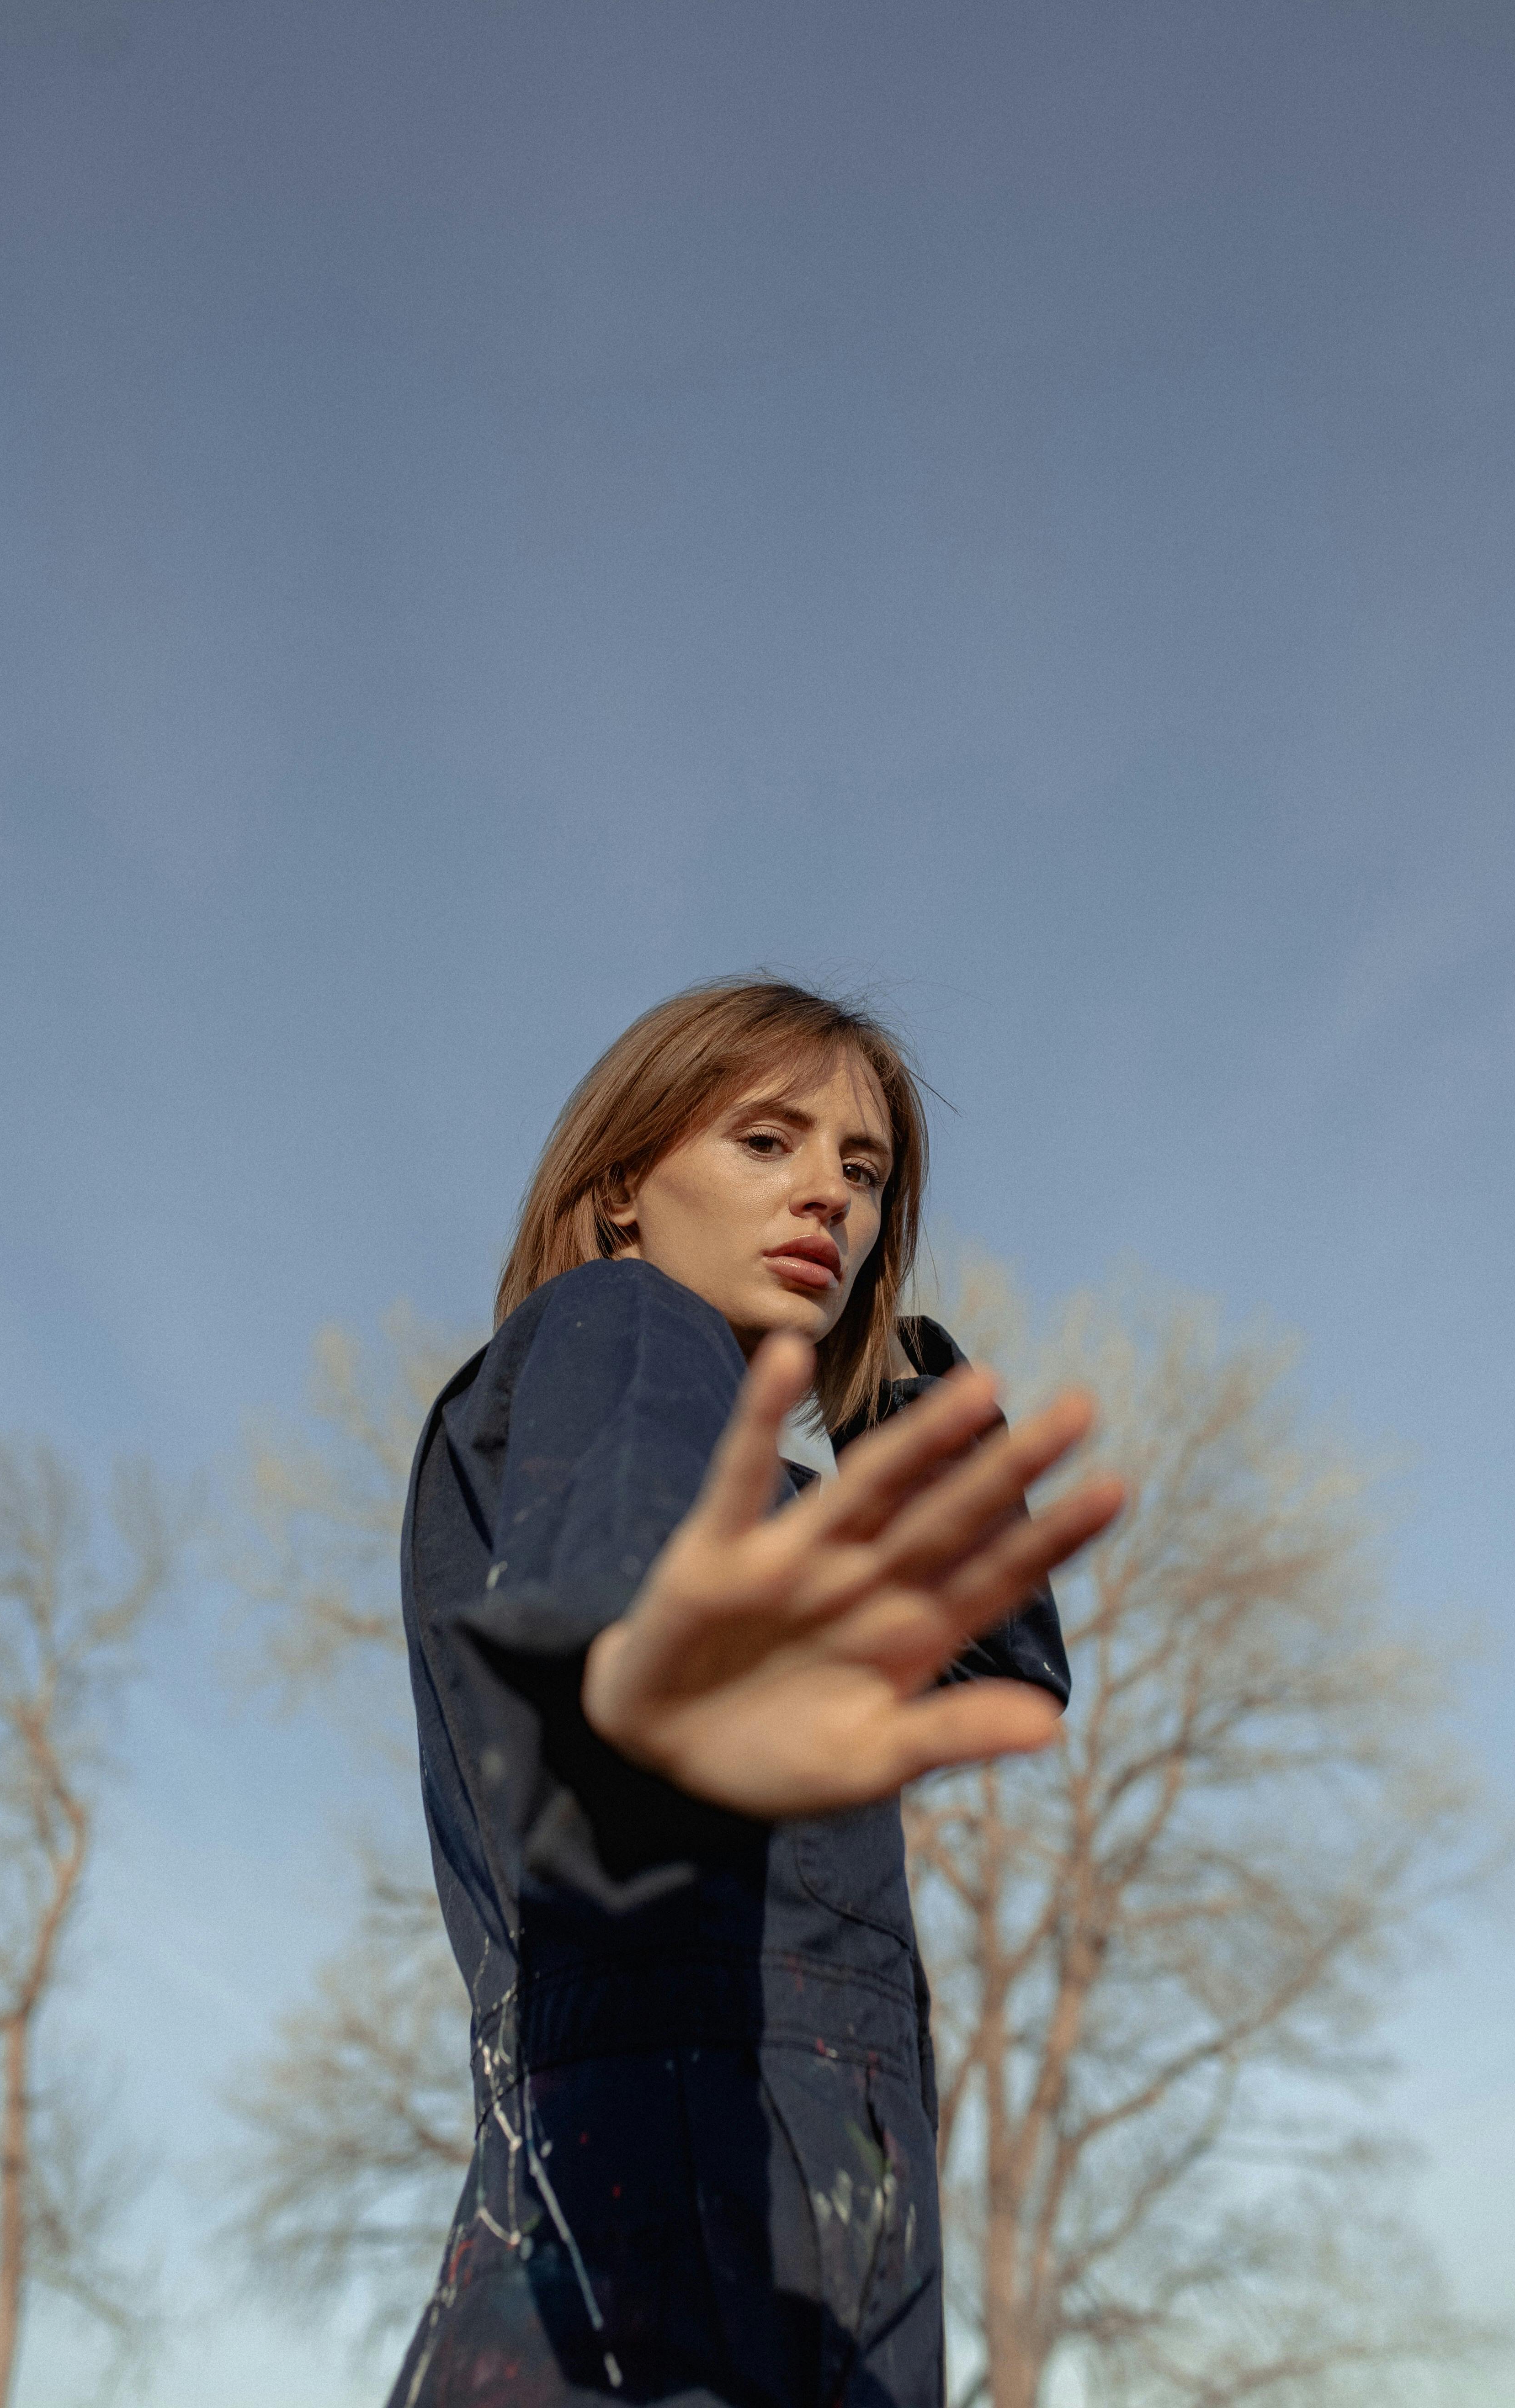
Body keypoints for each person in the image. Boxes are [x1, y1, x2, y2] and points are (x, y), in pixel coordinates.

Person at [386, 978, 1123, 2408]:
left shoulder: (782, 1520)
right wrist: (648, 1673)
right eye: (767, 1143)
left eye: (865, 1174)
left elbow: (1010, 1666)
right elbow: (616, 1578)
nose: (830, 1202)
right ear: (619, 1190)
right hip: (661, 2184)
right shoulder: (617, 1319)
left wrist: (883, 1377)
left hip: (843, 2203)